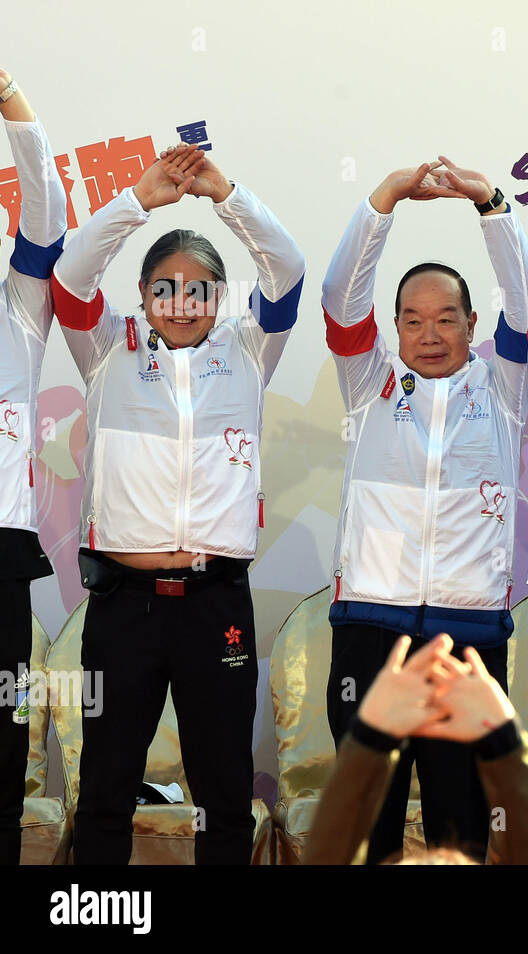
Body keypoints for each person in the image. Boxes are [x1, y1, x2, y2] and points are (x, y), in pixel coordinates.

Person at [51, 144, 305, 864]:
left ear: (220, 299)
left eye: (200, 289)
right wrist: (139, 200)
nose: (183, 302)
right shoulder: (107, 351)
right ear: (143, 295)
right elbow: (71, 279)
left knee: (224, 796)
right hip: (122, 609)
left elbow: (286, 268)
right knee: (103, 790)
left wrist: (225, 194)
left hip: (215, 607)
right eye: (166, 287)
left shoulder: (250, 353)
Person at [321, 157, 528, 862]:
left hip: (468, 643)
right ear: (396, 329)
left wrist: (490, 204)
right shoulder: (369, 382)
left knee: (461, 831)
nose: (431, 334)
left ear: (473, 323)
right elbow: (339, 294)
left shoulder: (504, 388)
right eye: (414, 321)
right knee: (367, 829)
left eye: (447, 319)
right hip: (368, 635)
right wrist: (385, 199)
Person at [305, 633, 528, 865]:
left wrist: (368, 740)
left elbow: (329, 854)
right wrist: (506, 743)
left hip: (472, 616)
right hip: (372, 613)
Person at [0, 68, 65, 866]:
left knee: (4, 740)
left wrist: (10, 98)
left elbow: (45, 207)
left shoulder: (19, 312)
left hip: (0, 559)